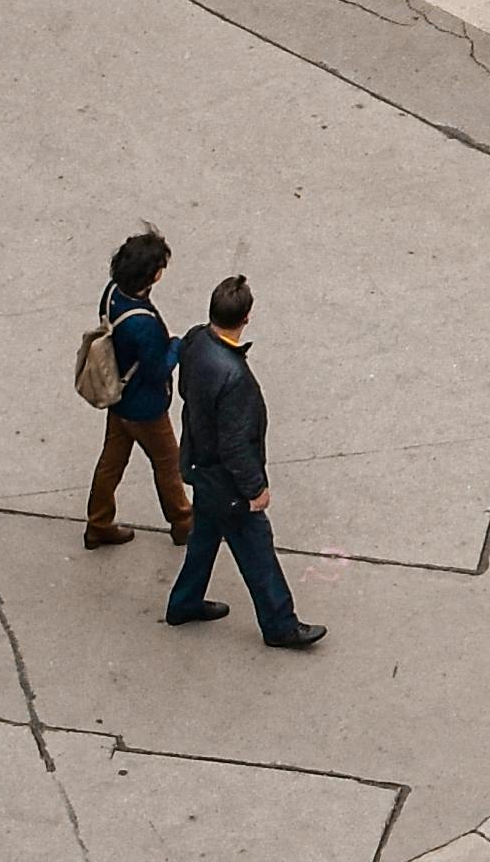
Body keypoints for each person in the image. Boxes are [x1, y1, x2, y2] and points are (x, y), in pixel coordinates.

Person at [163, 275, 327, 651]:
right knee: (256, 546)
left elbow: (187, 391)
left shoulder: (196, 340)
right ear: (246, 318)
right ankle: (280, 624)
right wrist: (256, 489)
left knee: (204, 536)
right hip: (227, 482)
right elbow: (235, 445)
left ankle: (184, 602)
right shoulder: (235, 378)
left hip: (200, 466)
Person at [82, 228, 187, 550]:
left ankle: (98, 523)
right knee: (168, 463)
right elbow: (158, 370)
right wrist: (177, 346)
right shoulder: (142, 324)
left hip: (120, 396)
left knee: (111, 462)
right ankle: (184, 522)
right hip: (145, 407)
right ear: (152, 275)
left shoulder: (113, 292)